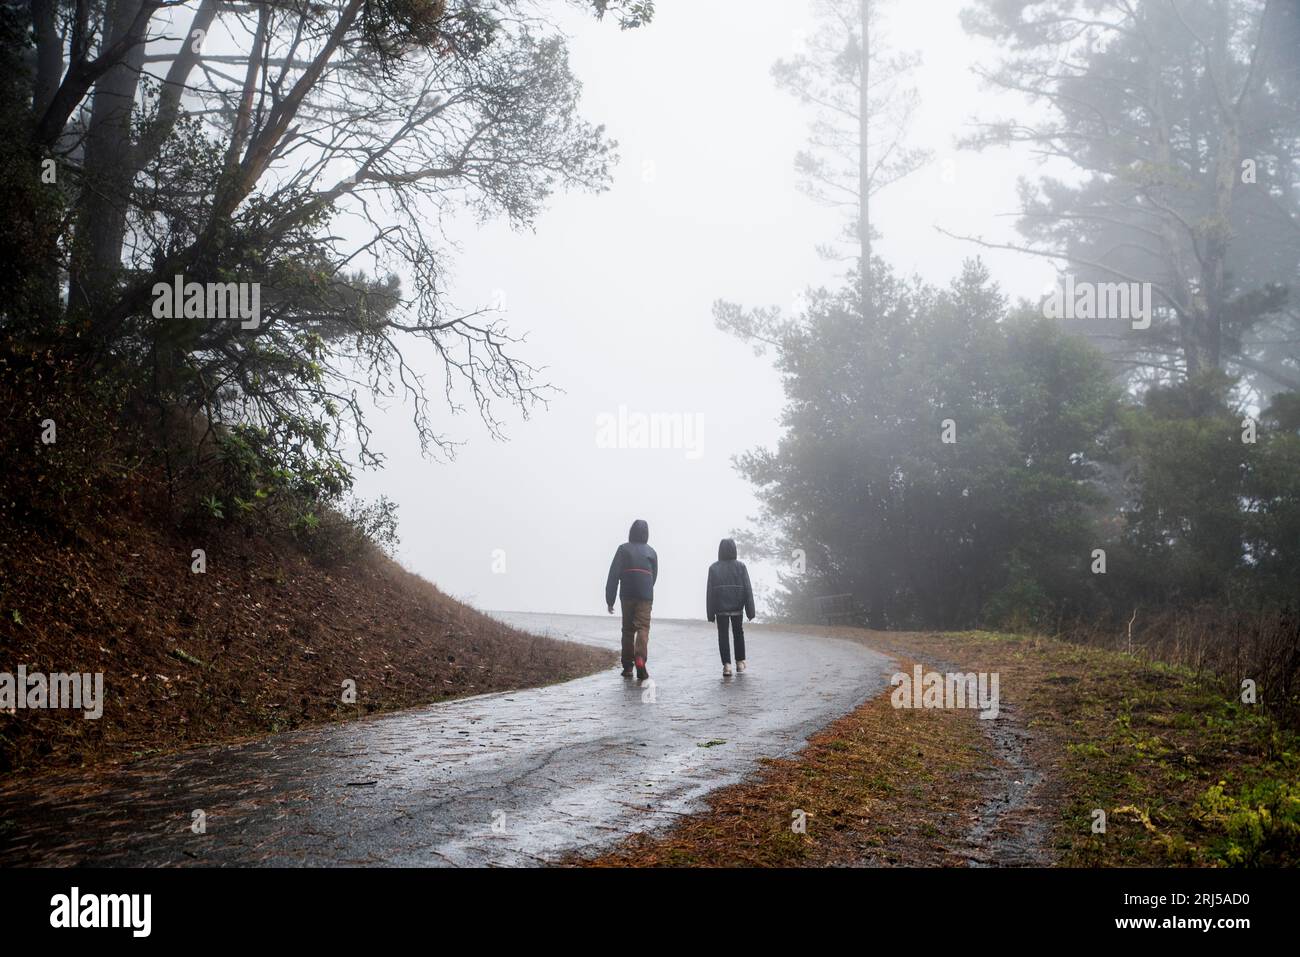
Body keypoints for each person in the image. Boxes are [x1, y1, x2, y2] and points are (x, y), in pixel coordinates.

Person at [605, 519, 658, 681]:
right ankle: (640, 658)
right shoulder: (652, 552)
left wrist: (610, 599)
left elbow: (613, 574)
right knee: (643, 627)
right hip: (645, 595)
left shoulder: (623, 549)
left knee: (628, 630)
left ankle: (628, 666)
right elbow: (654, 576)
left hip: (627, 594)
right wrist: (647, 589)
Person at [706, 538, 755, 676]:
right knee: (738, 633)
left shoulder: (713, 568)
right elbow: (748, 589)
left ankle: (727, 666)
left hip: (720, 609)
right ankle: (740, 663)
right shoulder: (741, 567)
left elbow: (710, 593)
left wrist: (710, 613)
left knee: (723, 635)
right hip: (737, 607)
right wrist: (750, 611)